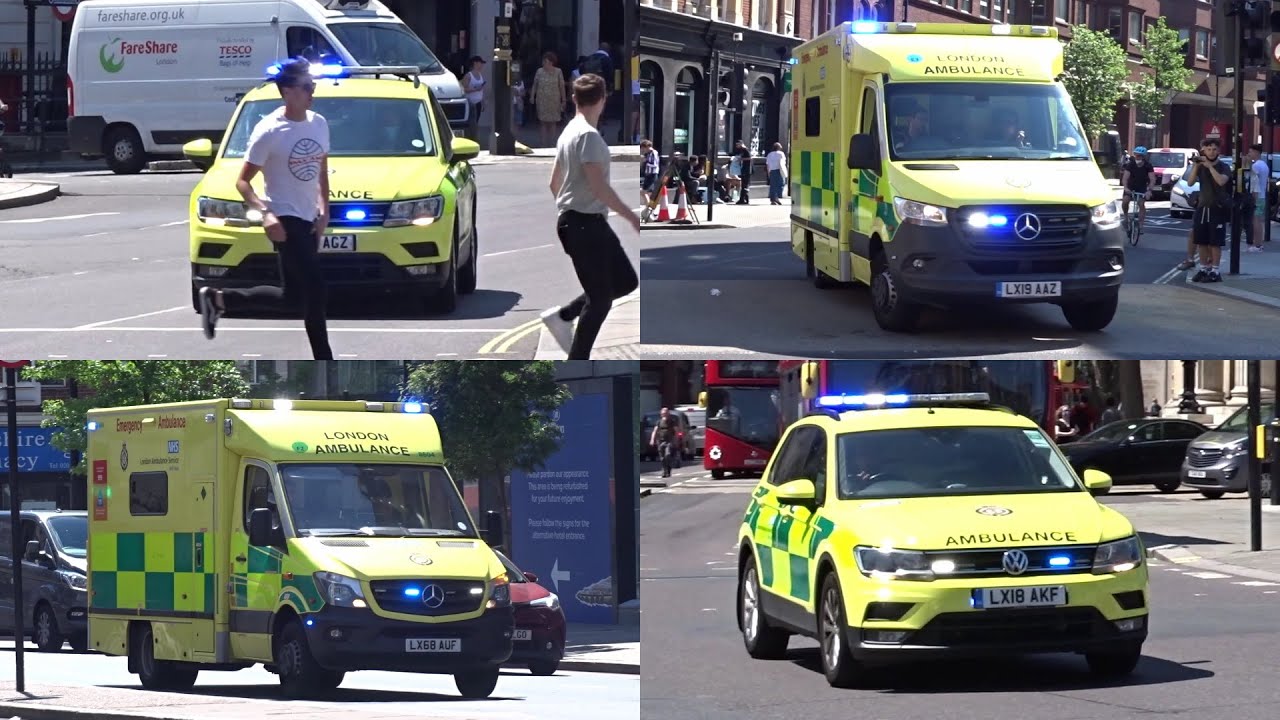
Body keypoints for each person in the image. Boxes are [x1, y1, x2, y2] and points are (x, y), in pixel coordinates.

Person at [198, 57, 333, 359]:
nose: (312, 92)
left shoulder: (319, 124)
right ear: (287, 91)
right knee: (317, 288)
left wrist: (325, 209)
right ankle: (325, 359)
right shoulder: (269, 130)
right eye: (306, 87)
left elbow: (321, 171)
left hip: (309, 217)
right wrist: (267, 215)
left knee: (291, 298)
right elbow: (243, 182)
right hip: (284, 219)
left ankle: (219, 300)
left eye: (313, 86)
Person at [539, 73, 641, 359]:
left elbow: (553, 184)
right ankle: (577, 360)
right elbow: (599, 187)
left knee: (625, 281)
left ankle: (564, 316)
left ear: (574, 99)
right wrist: (632, 217)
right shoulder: (589, 137)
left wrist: (567, 211)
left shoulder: (569, 131)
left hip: (581, 222)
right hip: (585, 224)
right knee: (600, 301)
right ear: (604, 99)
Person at [1186, 137, 1232, 283]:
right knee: (1202, 241)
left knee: (1215, 242)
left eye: (1214, 149)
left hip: (1217, 208)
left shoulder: (1224, 166)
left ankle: (1215, 271)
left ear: (1218, 150)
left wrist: (1210, 167)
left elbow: (1221, 181)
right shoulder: (1200, 166)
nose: (1211, 152)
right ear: (1203, 150)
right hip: (1202, 207)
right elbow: (1190, 182)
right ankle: (1204, 268)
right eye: (1208, 149)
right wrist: (1196, 166)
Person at [533, 52, 566, 148]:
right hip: (542, 100)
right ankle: (543, 143)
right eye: (543, 61)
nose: (544, 63)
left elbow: (561, 86)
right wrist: (532, 96)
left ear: (551, 62)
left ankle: (551, 143)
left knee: (553, 122)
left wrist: (563, 100)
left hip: (554, 100)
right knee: (542, 122)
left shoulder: (558, 72)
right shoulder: (539, 71)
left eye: (546, 61)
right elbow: (535, 84)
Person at [1120, 146, 1156, 230]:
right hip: (1130, 187)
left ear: (1143, 157)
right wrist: (1125, 188)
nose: (1137, 157)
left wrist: (1149, 190)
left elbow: (1152, 179)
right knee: (1125, 201)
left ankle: (1141, 224)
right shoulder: (1130, 164)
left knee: (1141, 204)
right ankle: (1125, 217)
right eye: (1136, 155)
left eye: (1139, 156)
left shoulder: (1148, 166)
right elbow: (1125, 178)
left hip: (1141, 187)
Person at [1248, 143, 1269, 252]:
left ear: (1256, 152)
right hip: (1262, 196)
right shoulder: (1264, 165)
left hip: (1257, 196)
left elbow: (1253, 182)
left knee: (1255, 221)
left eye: (1250, 151)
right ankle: (1259, 244)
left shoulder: (1255, 166)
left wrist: (1253, 197)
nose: (1249, 154)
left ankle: (1257, 245)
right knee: (1259, 221)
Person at [650, 407, 680, 478]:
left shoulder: (672, 421)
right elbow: (655, 431)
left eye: (666, 413)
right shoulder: (659, 422)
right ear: (661, 414)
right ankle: (664, 471)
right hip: (660, 441)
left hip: (669, 441)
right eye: (663, 413)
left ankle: (668, 469)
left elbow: (676, 431)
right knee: (662, 458)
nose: (665, 415)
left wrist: (676, 439)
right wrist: (652, 439)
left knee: (668, 455)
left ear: (668, 414)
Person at [463, 56, 486, 142]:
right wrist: (475, 89)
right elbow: (464, 89)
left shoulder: (480, 75)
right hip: (471, 103)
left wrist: (483, 102)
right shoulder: (468, 75)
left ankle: (474, 139)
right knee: (472, 122)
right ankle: (471, 139)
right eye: (480, 63)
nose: (482, 65)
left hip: (478, 102)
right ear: (475, 63)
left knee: (476, 121)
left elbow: (482, 90)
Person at [640, 139, 660, 206]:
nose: (643, 150)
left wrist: (645, 161)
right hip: (648, 174)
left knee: (643, 192)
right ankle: (649, 208)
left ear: (647, 147)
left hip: (652, 174)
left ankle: (648, 208)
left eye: (643, 148)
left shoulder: (653, 153)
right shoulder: (648, 154)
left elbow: (655, 165)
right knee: (647, 192)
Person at [733, 140, 753, 204]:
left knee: (745, 184)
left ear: (741, 144)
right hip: (743, 169)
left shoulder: (745, 150)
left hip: (746, 169)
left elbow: (750, 158)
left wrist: (741, 159)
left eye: (737, 145)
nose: (736, 146)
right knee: (744, 184)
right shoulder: (742, 150)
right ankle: (745, 199)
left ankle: (743, 199)